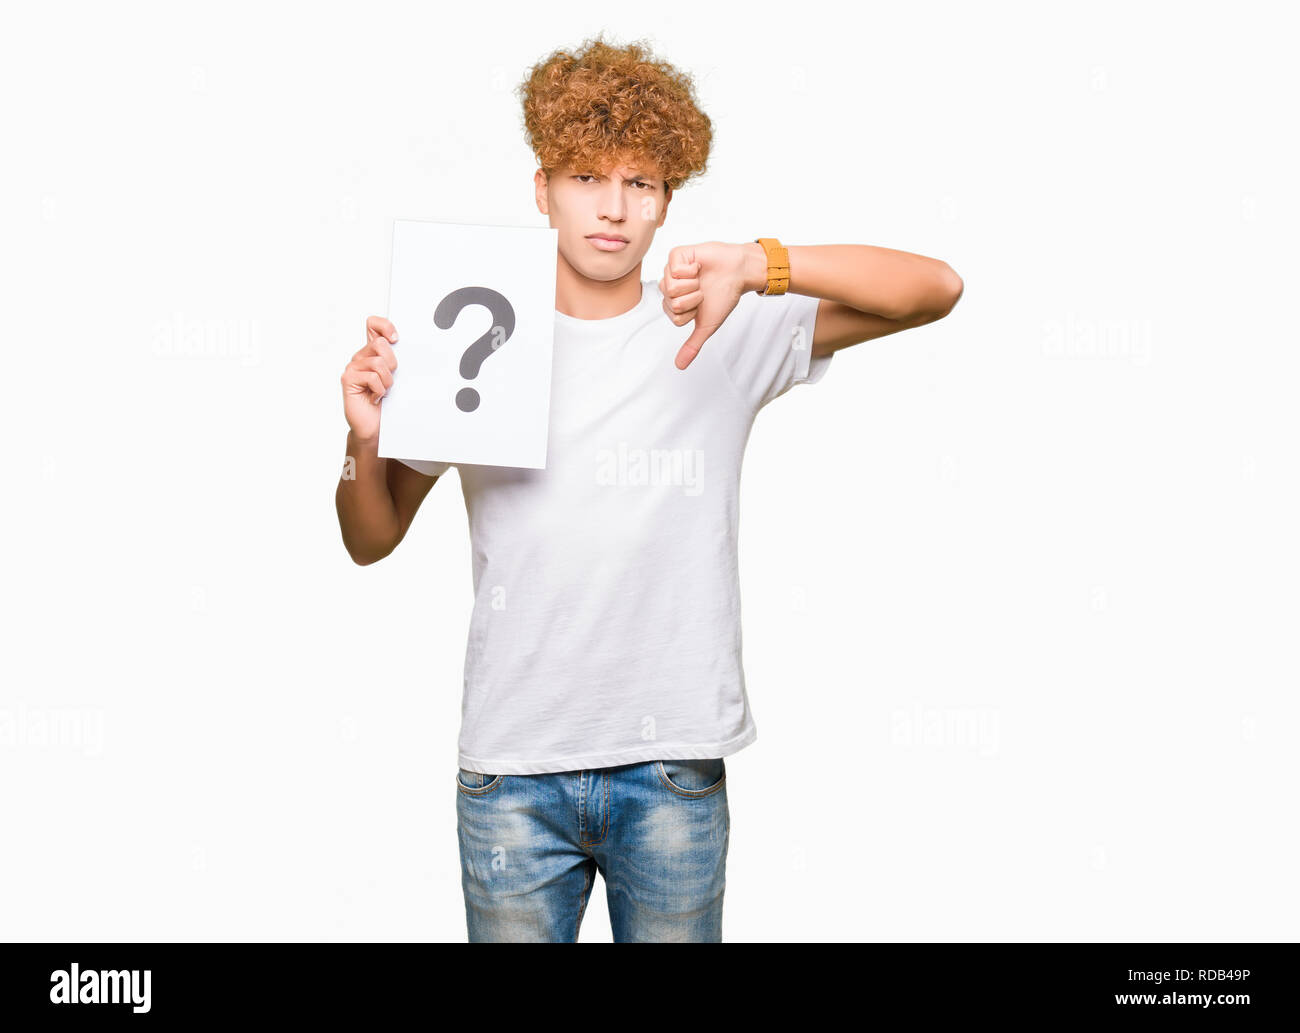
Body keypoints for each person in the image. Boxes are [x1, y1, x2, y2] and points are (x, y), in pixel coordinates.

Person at [335, 34, 963, 942]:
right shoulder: (473, 336)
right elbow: (371, 534)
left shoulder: (716, 325)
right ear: (542, 187)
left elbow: (933, 288)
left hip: (669, 768)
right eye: (588, 176)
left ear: (668, 200)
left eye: (642, 181)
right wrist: (361, 442)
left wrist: (758, 262)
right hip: (513, 772)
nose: (613, 207)